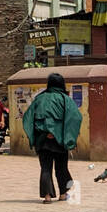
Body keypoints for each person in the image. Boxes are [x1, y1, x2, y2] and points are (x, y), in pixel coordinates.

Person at [22, 71, 83, 203]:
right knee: (62, 167)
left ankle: (47, 196)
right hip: (60, 139)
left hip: (42, 139)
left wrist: (38, 134)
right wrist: (68, 137)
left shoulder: (39, 99)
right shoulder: (65, 99)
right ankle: (63, 194)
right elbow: (76, 117)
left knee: (45, 168)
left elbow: (27, 118)